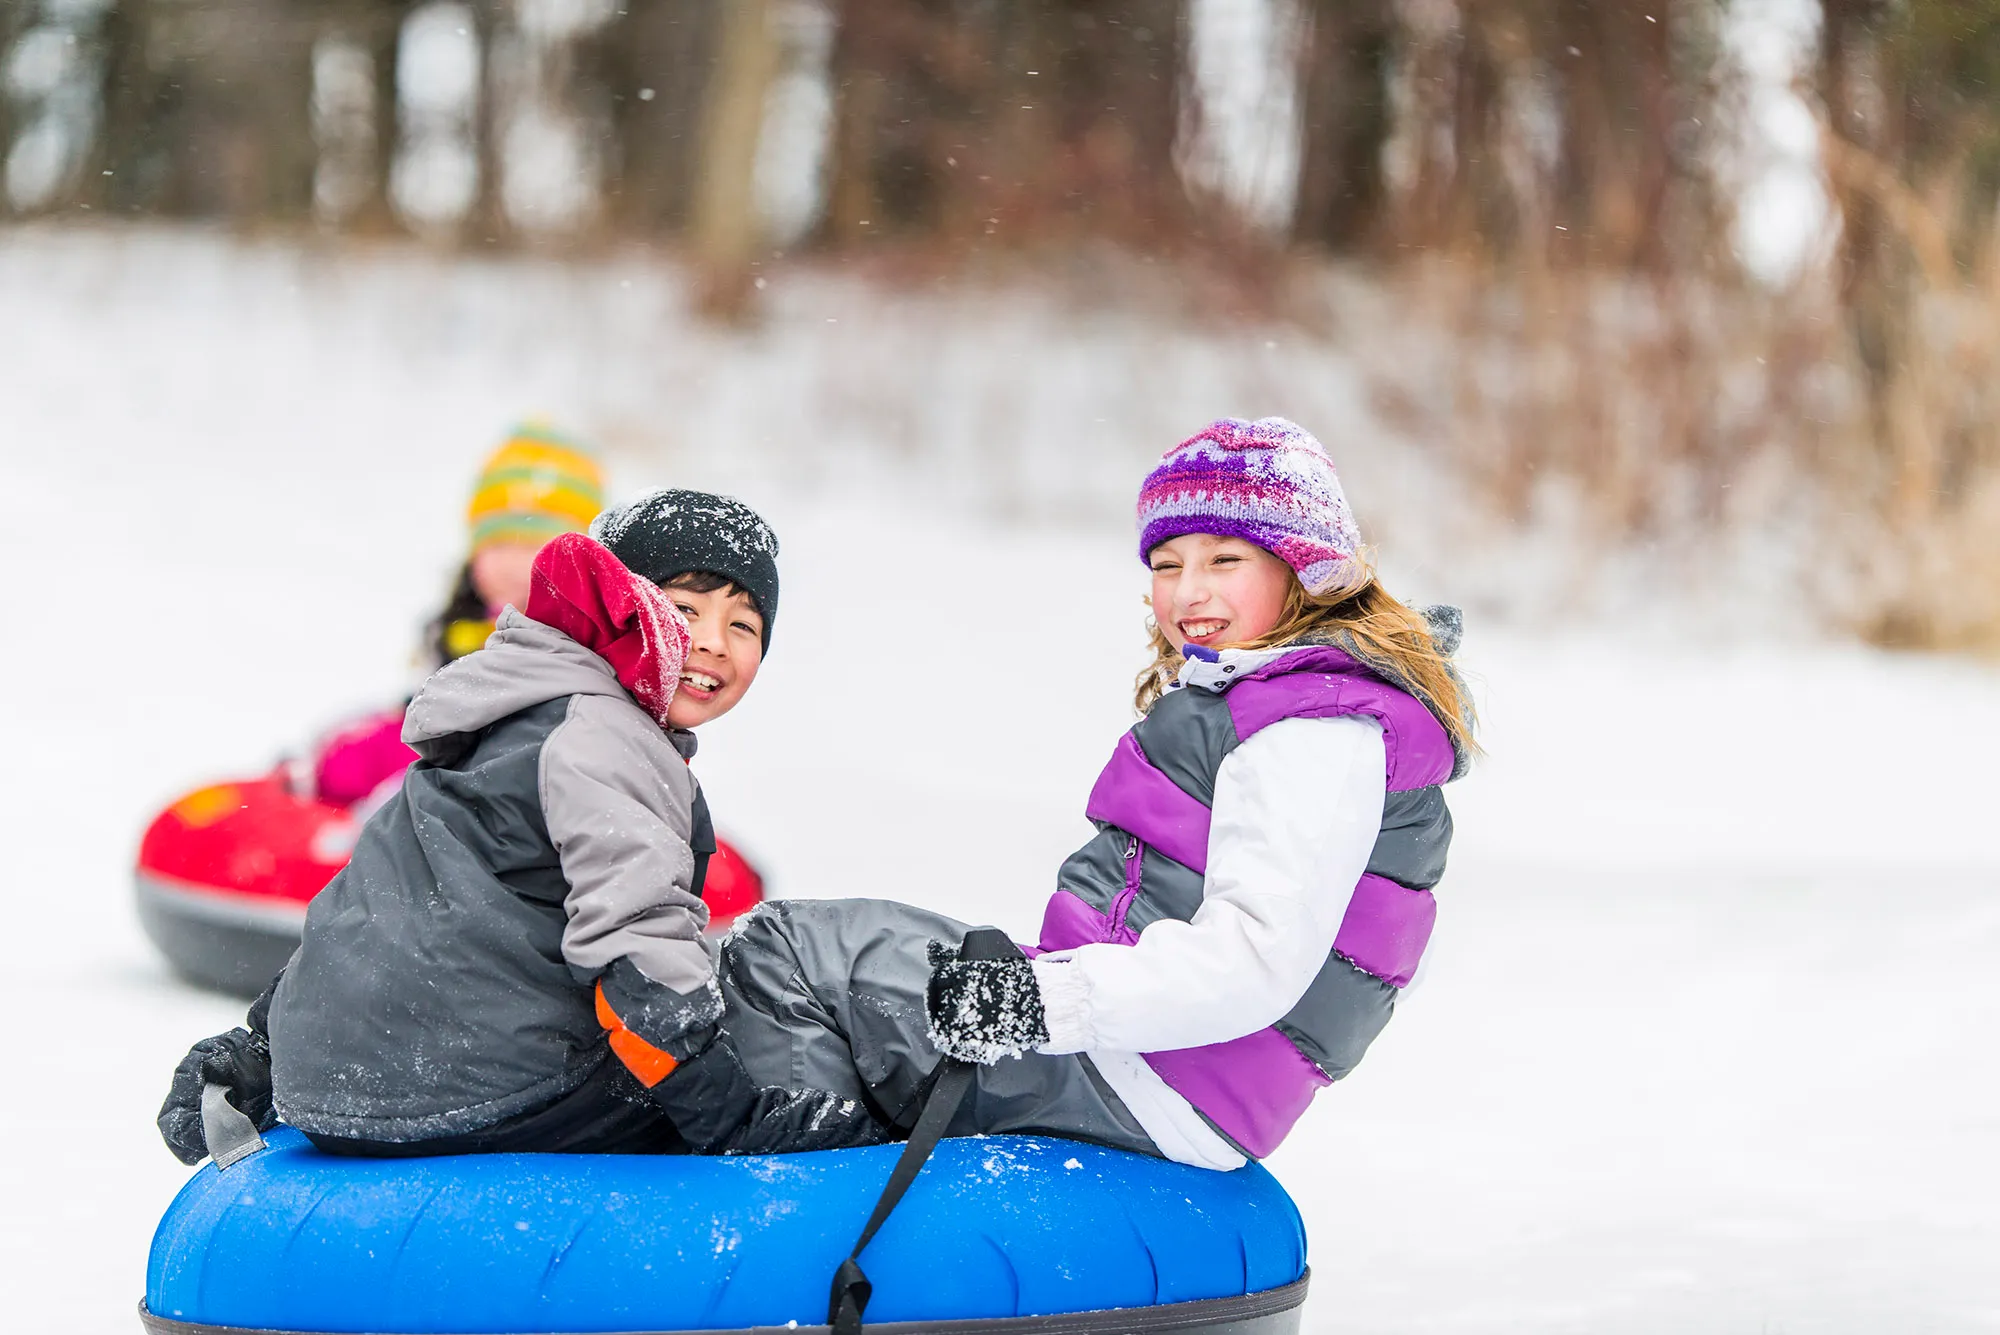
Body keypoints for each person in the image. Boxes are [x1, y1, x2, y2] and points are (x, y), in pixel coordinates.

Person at [696, 416, 1476, 1168]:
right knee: (839, 951)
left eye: (1224, 559)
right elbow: (1365, 935)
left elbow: (1255, 958)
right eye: (1167, 564)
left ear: (1305, 568)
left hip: (1144, 1079)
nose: (1188, 591)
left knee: (785, 950)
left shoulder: (1311, 731)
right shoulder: (1317, 707)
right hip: (1156, 1060)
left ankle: (791, 1214)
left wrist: (1042, 1000)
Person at [159, 491, 880, 1162]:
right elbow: (636, 944)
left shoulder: (509, 708)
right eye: (686, 609)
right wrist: (735, 1118)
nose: (715, 641)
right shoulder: (605, 735)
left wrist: (265, 1046)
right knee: (757, 1017)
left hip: (337, 1089)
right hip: (474, 1093)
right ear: (617, 605)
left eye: (744, 625)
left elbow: (382, 897)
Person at [310, 423, 605, 810]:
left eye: (532, 546)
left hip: (522, 792)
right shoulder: (462, 624)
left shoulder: (579, 639)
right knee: (342, 761)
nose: (511, 565)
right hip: (449, 774)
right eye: (497, 544)